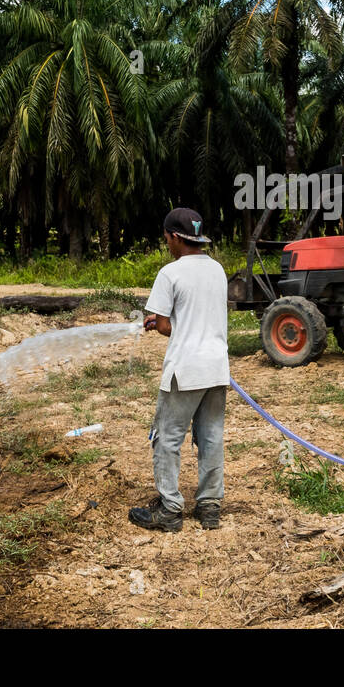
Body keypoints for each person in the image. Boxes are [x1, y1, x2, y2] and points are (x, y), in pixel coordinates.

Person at [128, 207, 230, 532]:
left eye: (166, 239)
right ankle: (210, 507)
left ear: (174, 236)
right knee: (211, 437)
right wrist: (168, 321)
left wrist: (158, 323)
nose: (167, 244)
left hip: (184, 371)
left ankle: (170, 510)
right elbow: (196, 319)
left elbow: (164, 327)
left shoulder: (170, 273)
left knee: (167, 439)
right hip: (216, 369)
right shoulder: (217, 270)